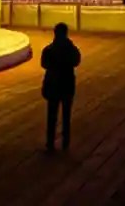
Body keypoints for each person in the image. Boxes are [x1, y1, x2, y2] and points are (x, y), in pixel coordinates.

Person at [41, 22, 82, 152]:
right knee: (66, 115)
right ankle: (65, 142)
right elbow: (76, 61)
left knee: (52, 115)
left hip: (53, 84)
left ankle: (50, 142)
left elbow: (44, 64)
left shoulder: (49, 49)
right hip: (67, 83)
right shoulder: (72, 49)